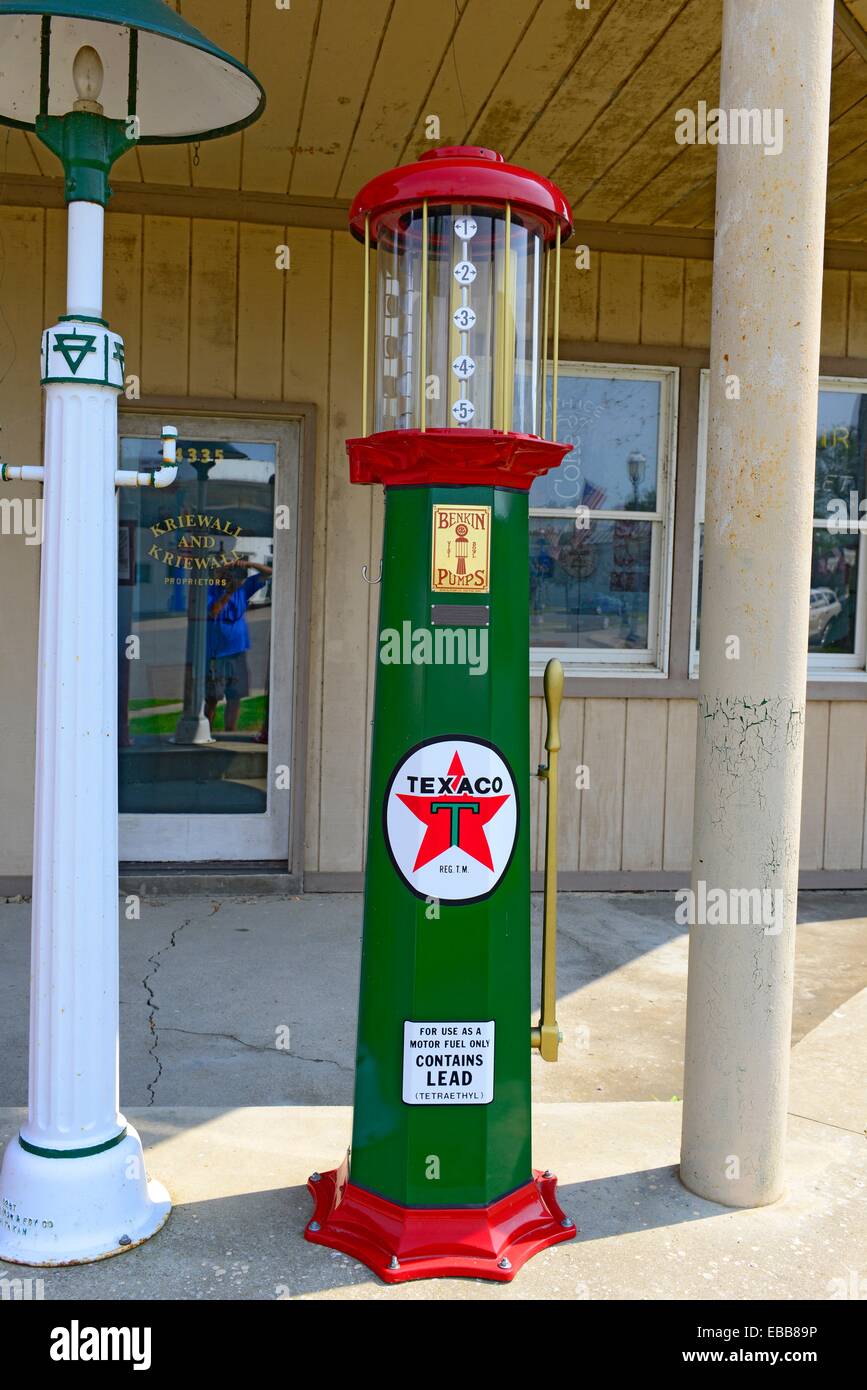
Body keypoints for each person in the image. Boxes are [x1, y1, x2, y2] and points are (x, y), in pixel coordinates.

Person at [204, 557, 272, 733]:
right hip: (215, 654)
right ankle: (206, 732)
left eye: (230, 572)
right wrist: (227, 593)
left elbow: (270, 573)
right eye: (225, 571)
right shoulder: (210, 590)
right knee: (212, 698)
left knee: (235, 698)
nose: (229, 575)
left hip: (238, 652)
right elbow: (213, 612)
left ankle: (230, 733)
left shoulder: (242, 589)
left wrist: (248, 564)